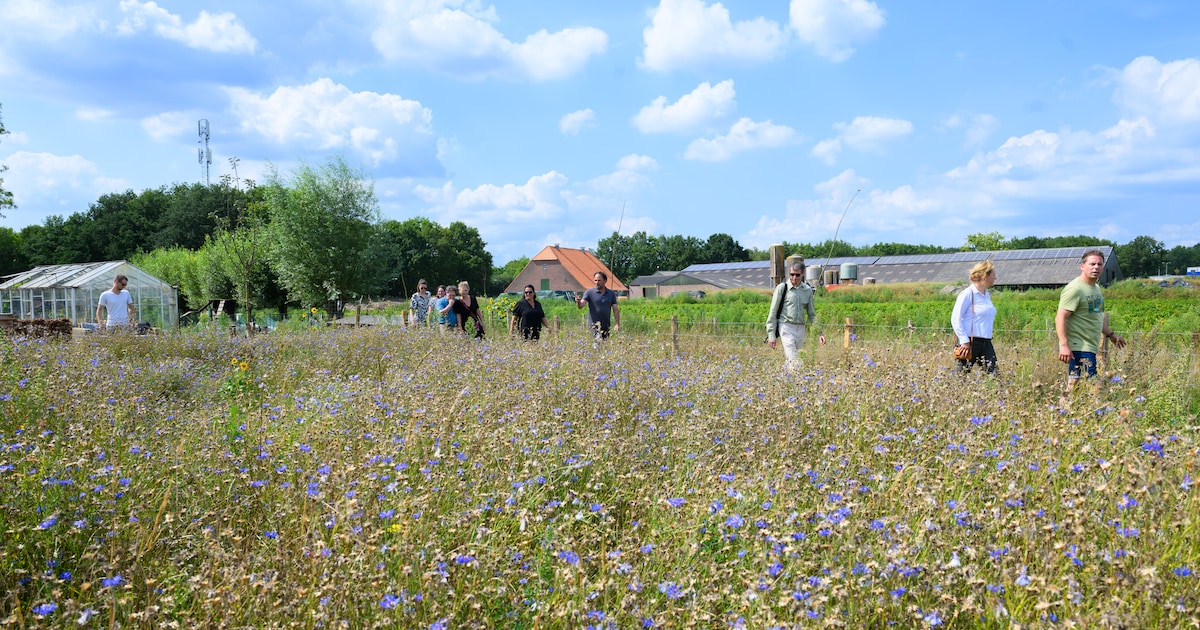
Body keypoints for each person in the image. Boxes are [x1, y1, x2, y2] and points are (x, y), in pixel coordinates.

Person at [1055, 250, 1126, 390]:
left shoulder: (1096, 289)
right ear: (1082, 266)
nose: (1096, 267)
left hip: (1090, 345)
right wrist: (1063, 345)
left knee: (1074, 384)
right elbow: (1060, 317)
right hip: (1079, 346)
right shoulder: (1075, 289)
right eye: (1092, 264)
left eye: (1099, 264)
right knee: (1091, 385)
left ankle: (1064, 409)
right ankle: (1092, 410)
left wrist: (1111, 335)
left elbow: (1097, 316)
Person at [766, 260, 826, 371]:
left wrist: (819, 333)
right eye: (792, 274)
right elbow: (773, 312)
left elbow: (811, 314)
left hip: (800, 329)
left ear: (802, 274)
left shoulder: (807, 290)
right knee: (794, 360)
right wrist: (771, 335)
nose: (794, 277)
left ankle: (784, 380)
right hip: (786, 327)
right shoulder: (782, 288)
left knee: (795, 357)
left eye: (797, 275)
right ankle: (797, 383)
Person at [951, 261, 999, 374]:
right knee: (960, 377)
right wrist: (964, 341)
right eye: (993, 275)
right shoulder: (968, 294)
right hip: (969, 342)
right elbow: (956, 318)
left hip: (986, 342)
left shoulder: (986, 295)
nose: (995, 278)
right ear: (985, 276)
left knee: (994, 377)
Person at [576, 271, 620, 340]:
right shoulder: (589, 292)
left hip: (606, 326)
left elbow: (615, 309)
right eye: (595, 280)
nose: (597, 282)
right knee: (596, 344)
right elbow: (581, 305)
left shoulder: (611, 294)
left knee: (605, 347)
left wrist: (617, 324)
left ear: (605, 281)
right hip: (594, 326)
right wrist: (578, 301)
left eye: (599, 280)